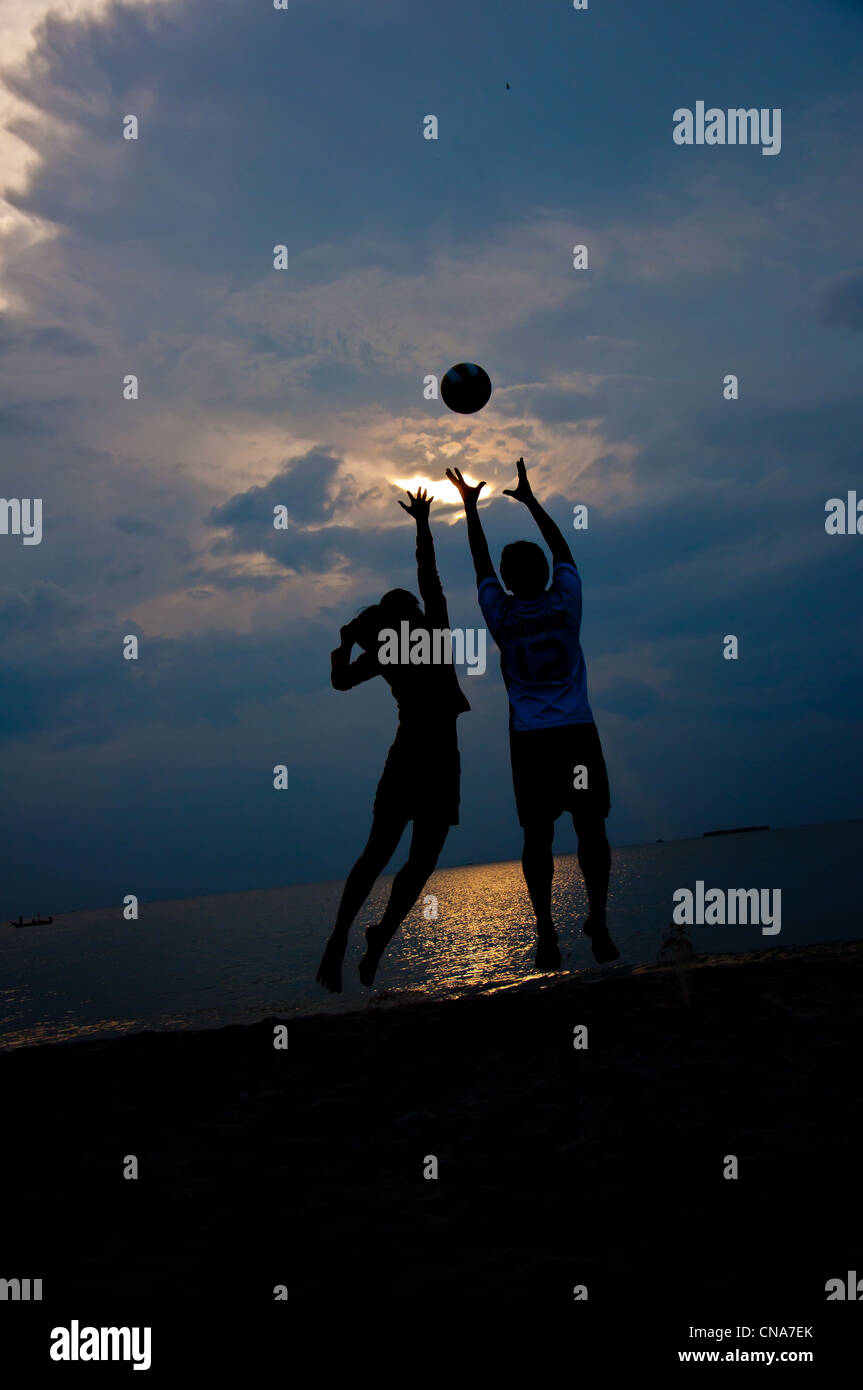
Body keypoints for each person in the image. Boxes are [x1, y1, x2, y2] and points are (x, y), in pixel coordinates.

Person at [447, 457, 618, 970]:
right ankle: (599, 920)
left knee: (537, 837)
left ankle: (546, 933)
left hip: (531, 741)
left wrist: (470, 509)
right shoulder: (568, 601)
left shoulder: (499, 614)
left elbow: (479, 565)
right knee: (592, 829)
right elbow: (563, 549)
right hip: (577, 735)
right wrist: (530, 500)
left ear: (507, 580)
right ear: (545, 573)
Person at [316, 487, 469, 991]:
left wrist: (341, 645)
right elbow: (432, 579)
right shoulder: (435, 632)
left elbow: (339, 683)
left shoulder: (388, 650)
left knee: (378, 853)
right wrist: (423, 525)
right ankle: (374, 938)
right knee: (417, 860)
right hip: (438, 757)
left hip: (409, 755)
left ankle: (349, 935)